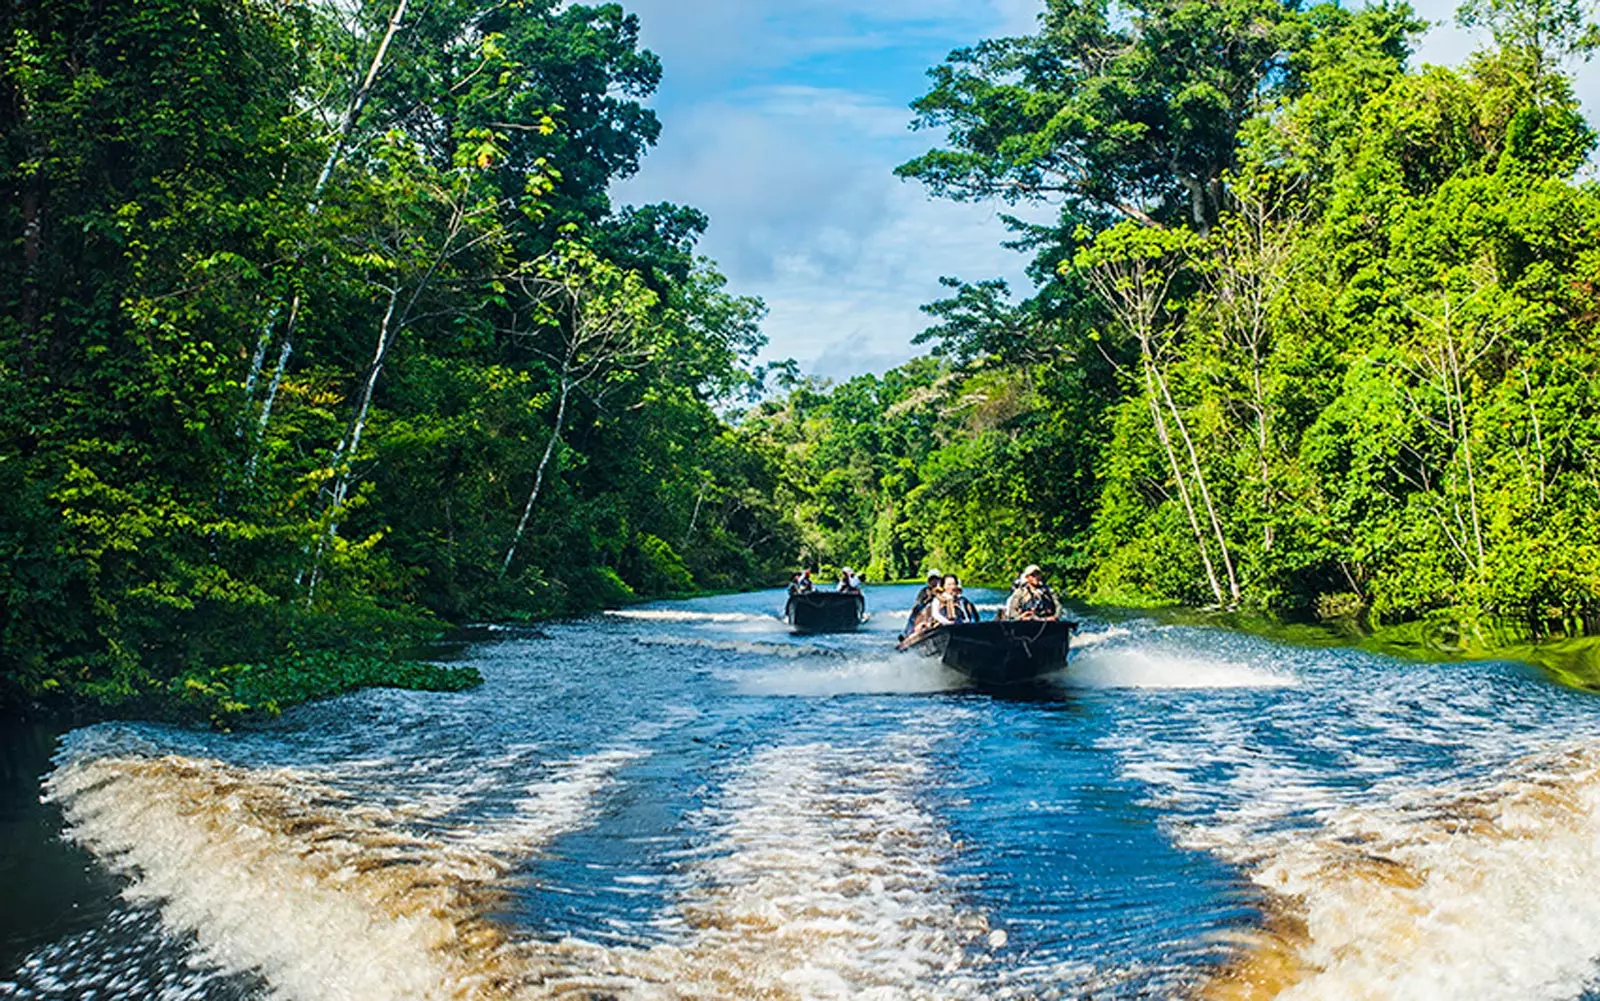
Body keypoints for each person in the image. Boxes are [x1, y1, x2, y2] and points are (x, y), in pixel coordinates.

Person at [902, 569, 943, 638]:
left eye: (936, 579)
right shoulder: (925, 591)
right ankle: (908, 633)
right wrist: (929, 598)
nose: (934, 581)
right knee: (917, 610)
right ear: (929, 581)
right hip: (925, 610)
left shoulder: (943, 590)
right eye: (932, 579)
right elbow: (918, 603)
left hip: (938, 610)